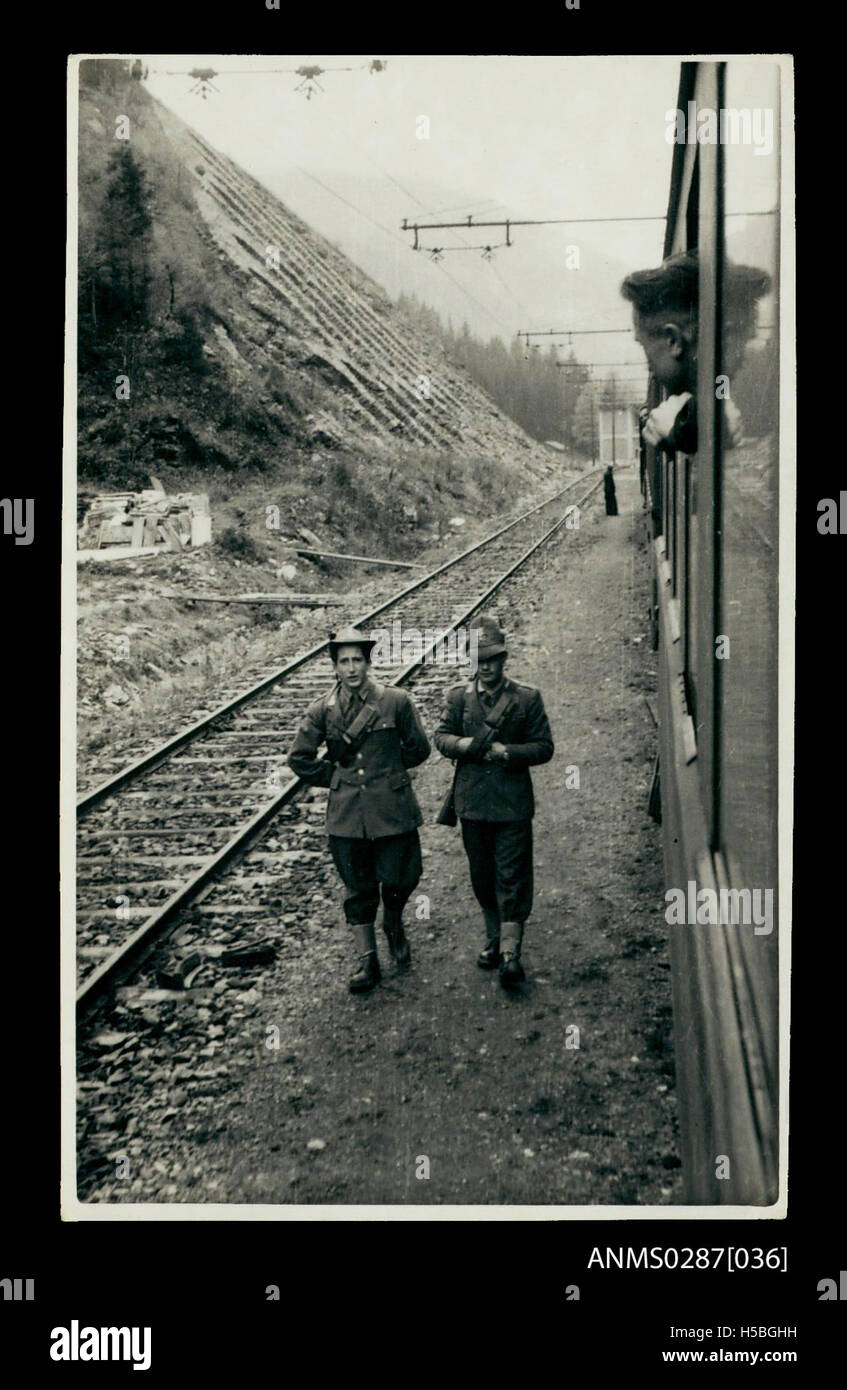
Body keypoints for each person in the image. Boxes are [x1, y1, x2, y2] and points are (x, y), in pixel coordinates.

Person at [287, 626, 430, 994]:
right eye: (344, 661)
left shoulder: (395, 701)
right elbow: (300, 759)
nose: (351, 668)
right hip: (348, 815)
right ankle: (368, 961)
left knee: (402, 877)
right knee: (358, 887)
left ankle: (393, 923)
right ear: (334, 667)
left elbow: (419, 748)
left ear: (368, 663)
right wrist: (334, 776)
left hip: (393, 808)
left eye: (357, 660)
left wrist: (391, 772)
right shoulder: (322, 710)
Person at [434, 615, 554, 988]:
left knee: (512, 878)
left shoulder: (526, 698)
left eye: (492, 659)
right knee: (482, 877)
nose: (485, 667)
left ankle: (510, 954)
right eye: (478, 660)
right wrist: (463, 745)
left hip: (512, 806)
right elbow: (440, 737)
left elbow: (544, 747)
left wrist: (508, 753)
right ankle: (492, 938)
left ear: (504, 660)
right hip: (472, 806)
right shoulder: (458, 698)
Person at [620, 249, 770, 454]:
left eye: (644, 347)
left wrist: (679, 432)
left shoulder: (721, 377)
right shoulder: (719, 378)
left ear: (674, 341)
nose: (649, 367)